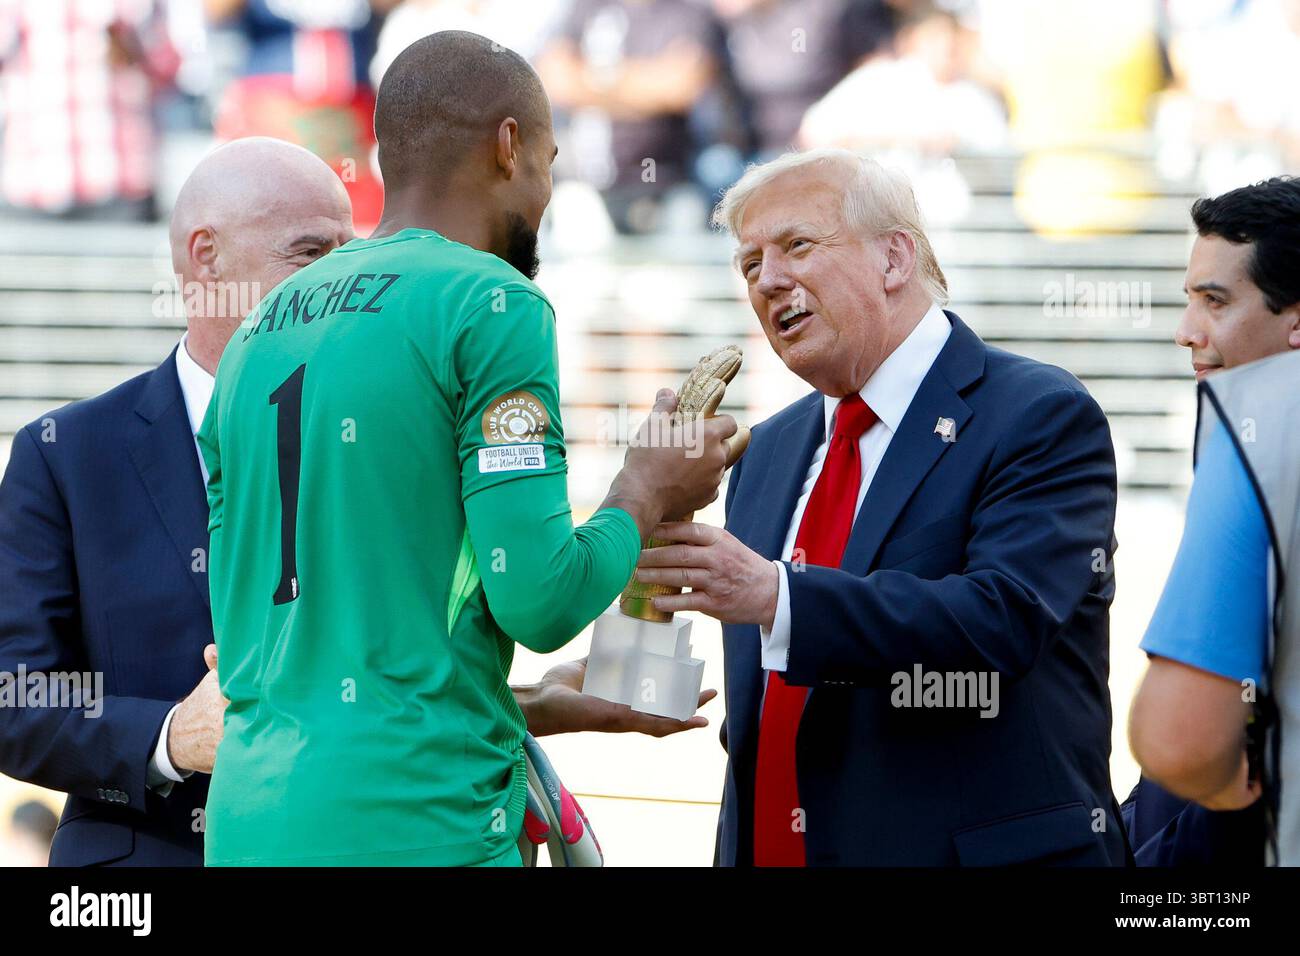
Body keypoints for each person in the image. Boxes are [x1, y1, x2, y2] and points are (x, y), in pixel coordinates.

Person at [0, 135, 714, 867]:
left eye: (353, 251)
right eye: (311, 255)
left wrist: (530, 704)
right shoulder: (66, 452)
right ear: (204, 257)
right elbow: (10, 700)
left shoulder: (400, 421)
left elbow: (367, 684)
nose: (344, 278)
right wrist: (171, 737)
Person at [199, 33, 738, 867]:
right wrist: (644, 488)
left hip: (248, 819)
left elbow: (308, 645)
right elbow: (544, 600)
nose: (549, 193)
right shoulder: (494, 304)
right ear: (509, 145)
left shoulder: (257, 331)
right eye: (551, 162)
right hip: (420, 823)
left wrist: (536, 699)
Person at [635, 148, 1127, 866]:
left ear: (896, 258)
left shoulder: (1038, 413)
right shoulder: (765, 450)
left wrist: (778, 597)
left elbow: (1002, 622)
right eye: (749, 265)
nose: (769, 280)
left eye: (797, 245)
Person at [1129, 177, 1300, 865]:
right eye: (1189, 300)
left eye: (1215, 302)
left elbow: (1180, 742)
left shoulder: (1258, 435)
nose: (1186, 332)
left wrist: (1232, 806)